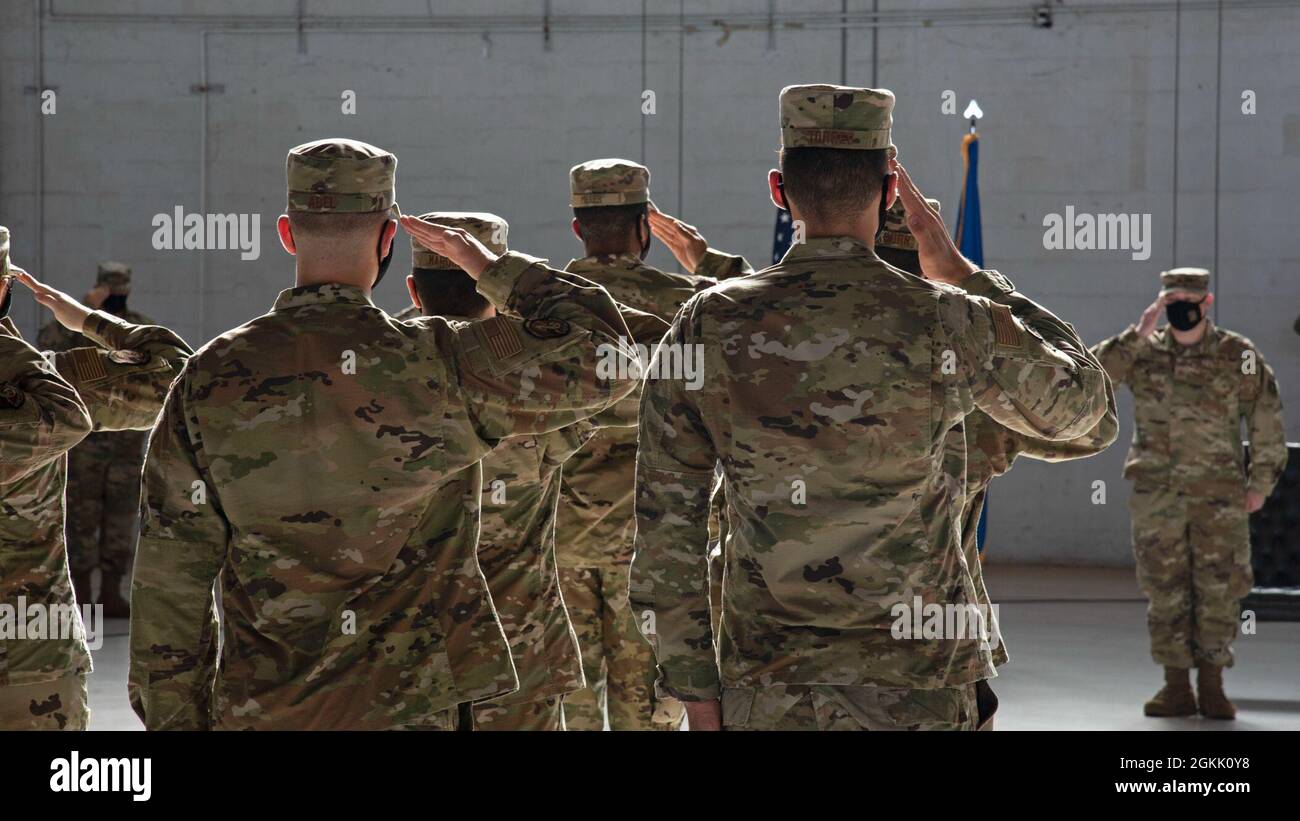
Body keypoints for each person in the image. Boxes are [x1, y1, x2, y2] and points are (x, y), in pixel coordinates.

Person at [628, 84, 1112, 731]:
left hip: (768, 686)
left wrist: (695, 693)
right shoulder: (948, 318)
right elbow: (1087, 406)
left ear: (779, 190)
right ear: (890, 192)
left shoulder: (707, 325)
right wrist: (969, 277)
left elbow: (667, 528)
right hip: (919, 688)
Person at [128, 139, 639, 730]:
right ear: (389, 237)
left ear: (288, 233)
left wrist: (179, 720)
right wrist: (495, 271)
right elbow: (610, 358)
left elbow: (171, 577)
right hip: (413, 706)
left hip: (264, 707)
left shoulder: (208, 377)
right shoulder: (439, 364)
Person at [398, 211, 668, 730]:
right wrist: (517, 286)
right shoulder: (533, 378)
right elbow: (636, 357)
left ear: (413, 287)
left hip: (406, 660)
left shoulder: (378, 364)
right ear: (494, 291)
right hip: (518, 658)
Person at [877, 198, 1120, 729]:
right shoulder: (973, 370)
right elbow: (1093, 422)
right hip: (935, 656)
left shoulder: (773, 340)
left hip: (788, 655)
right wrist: (975, 281)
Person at [556, 158, 752, 730]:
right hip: (659, 553)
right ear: (645, 225)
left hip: (559, 549)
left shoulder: (538, 307)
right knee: (648, 713)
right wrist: (706, 258)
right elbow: (768, 315)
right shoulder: (691, 306)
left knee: (570, 706)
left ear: (578, 228)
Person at [0, 226, 192, 730]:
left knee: (111, 523)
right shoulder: (42, 379)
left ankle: (109, 591)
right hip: (29, 661)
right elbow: (173, 371)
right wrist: (84, 319)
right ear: (6, 289)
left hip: (32, 661)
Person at [1092, 267, 1286, 719]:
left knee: (1219, 591)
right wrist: (1138, 332)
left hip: (1219, 499)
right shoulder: (1143, 353)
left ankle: (1213, 685)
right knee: (1166, 592)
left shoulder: (1237, 355)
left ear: (1207, 302)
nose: (1180, 307)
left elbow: (1266, 421)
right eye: (1171, 299)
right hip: (1157, 497)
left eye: (1188, 299)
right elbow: (1095, 378)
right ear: (1161, 303)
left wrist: (1260, 485)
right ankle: (1175, 686)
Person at [38, 261, 155, 616]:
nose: (116, 294)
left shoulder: (135, 325)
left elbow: (154, 362)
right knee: (81, 517)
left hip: (126, 444)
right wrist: (84, 308)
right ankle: (84, 593)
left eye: (120, 288)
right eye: (110, 287)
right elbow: (46, 347)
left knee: (121, 518)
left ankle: (111, 592)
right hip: (86, 443)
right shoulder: (78, 322)